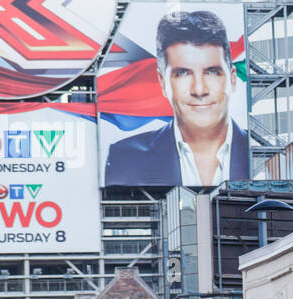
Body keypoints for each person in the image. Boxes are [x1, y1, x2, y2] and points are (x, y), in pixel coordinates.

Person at [103, 10, 249, 188]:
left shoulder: (262, 154)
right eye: (182, 73)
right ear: (163, 83)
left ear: (232, 78)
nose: (199, 90)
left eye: (212, 72)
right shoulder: (125, 158)